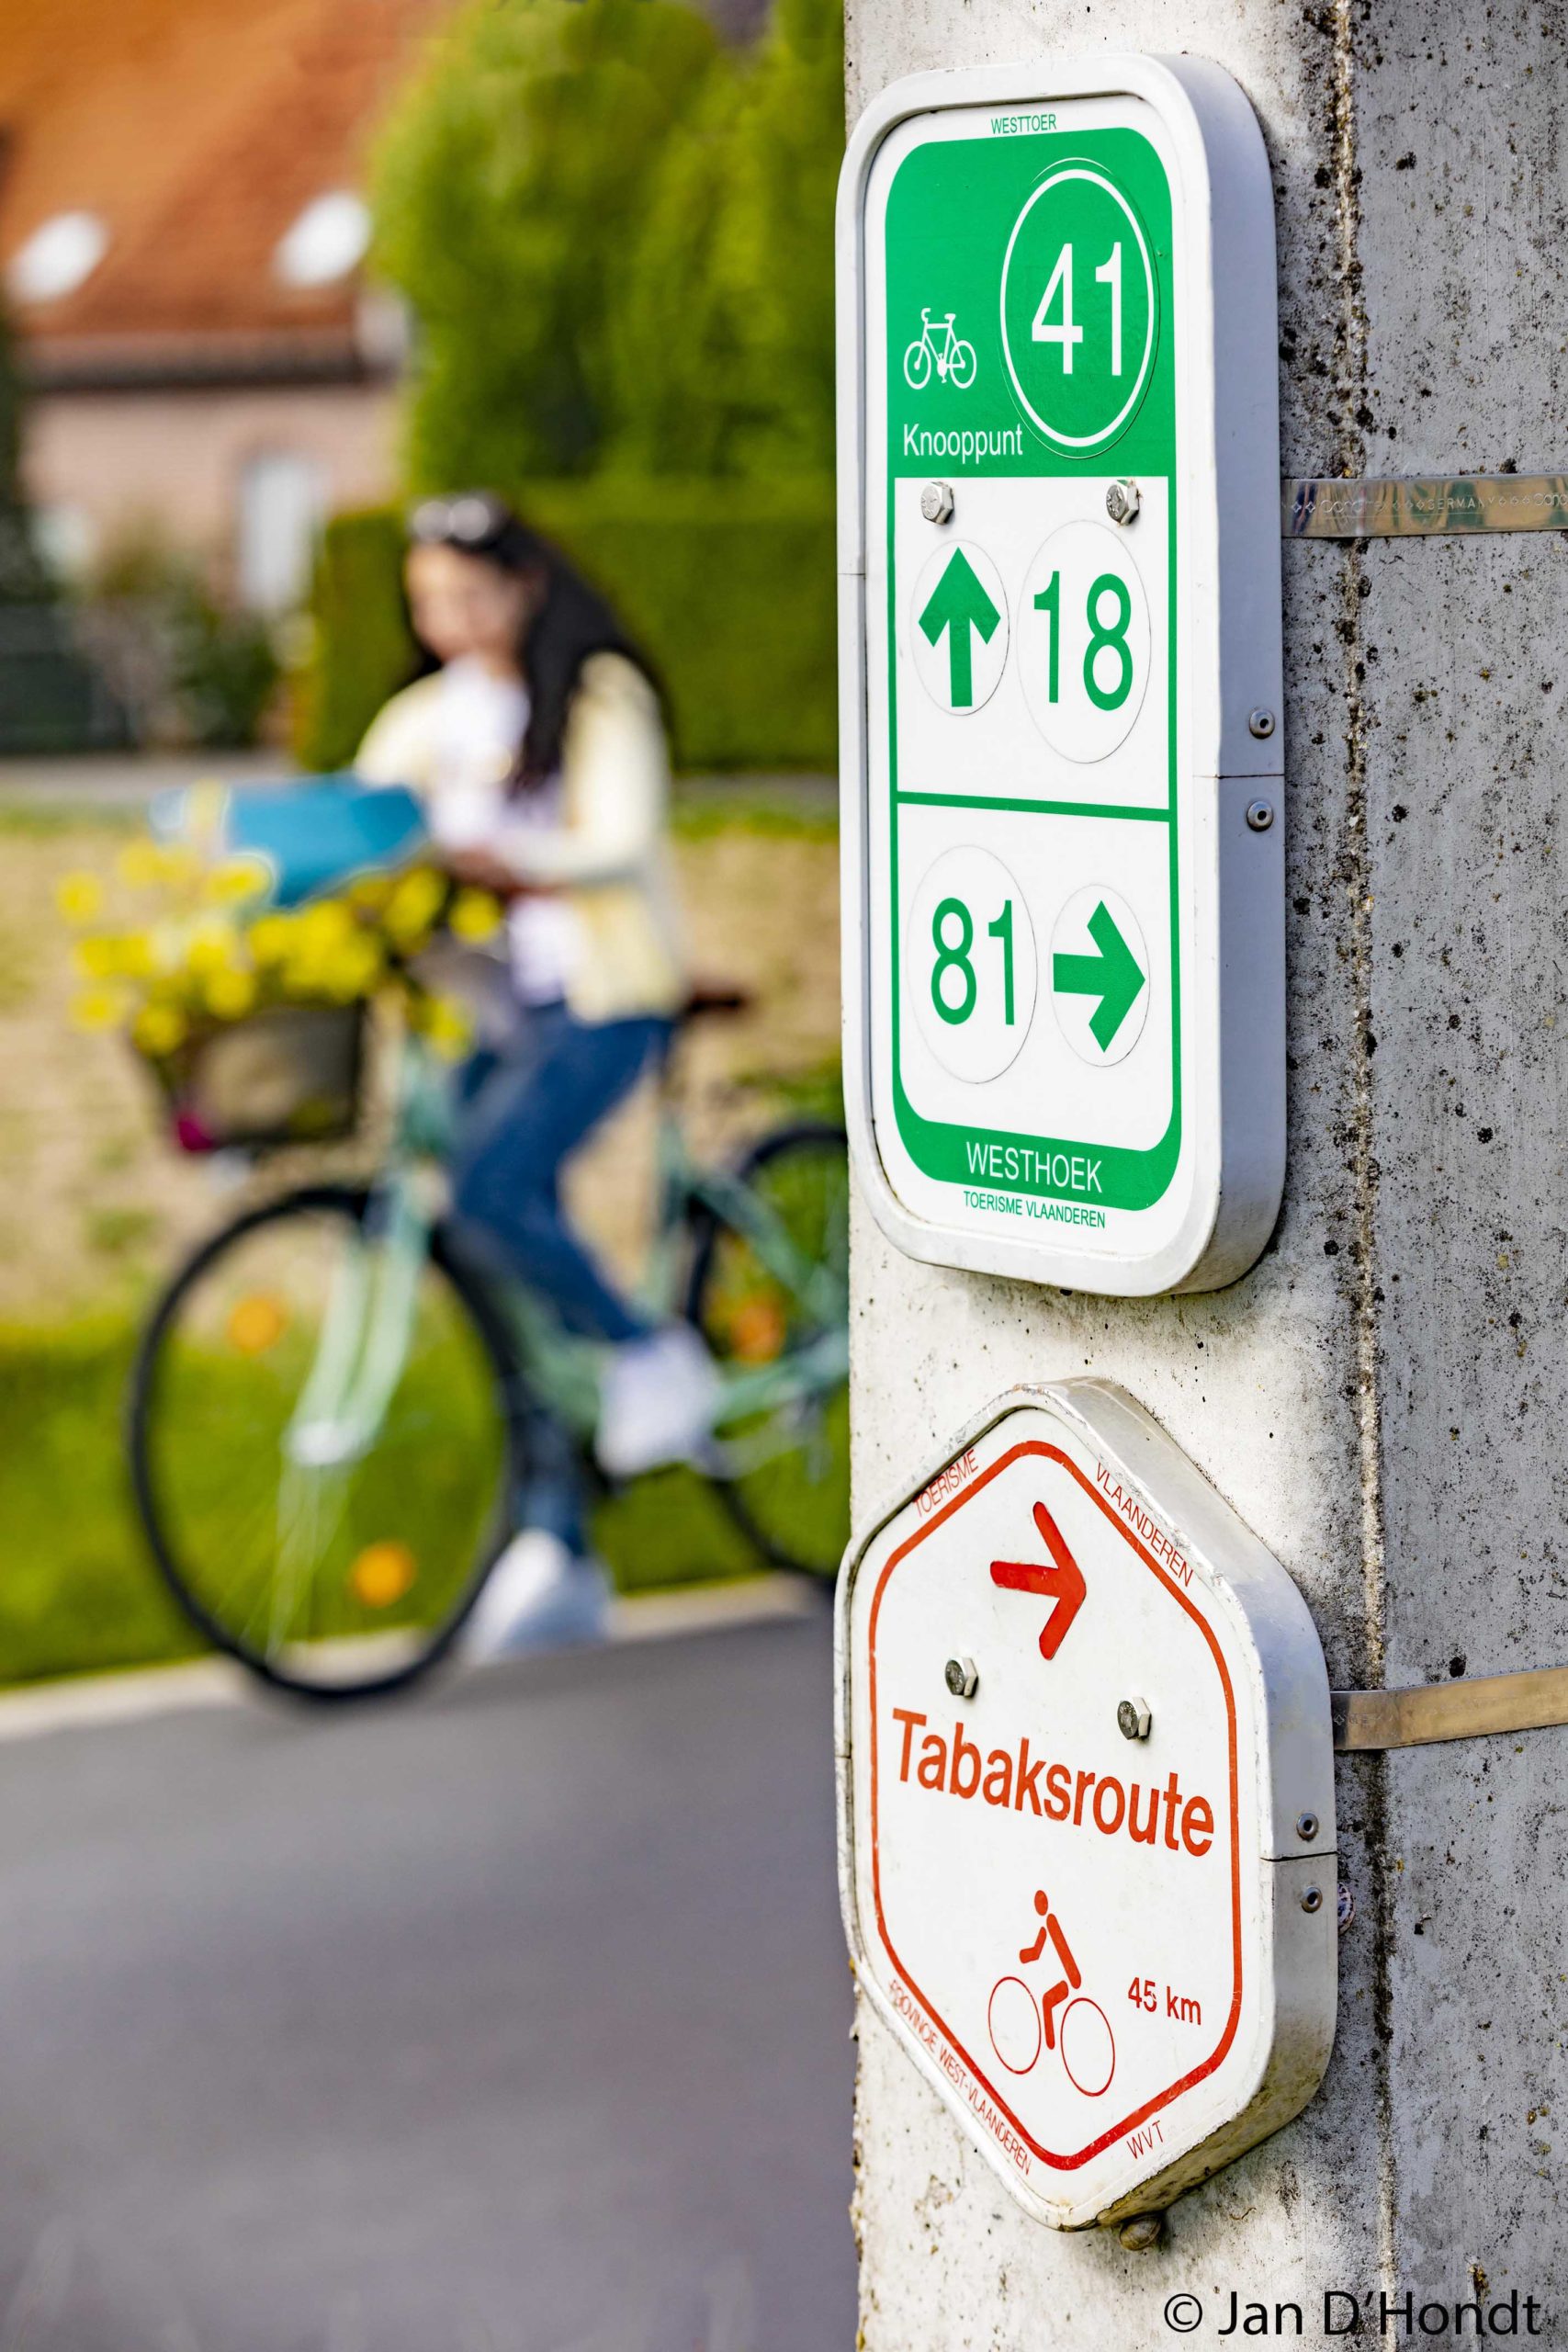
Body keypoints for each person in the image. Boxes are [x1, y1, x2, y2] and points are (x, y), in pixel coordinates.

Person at [355, 492, 716, 1651]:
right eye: (428, 603)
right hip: (499, 1007)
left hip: (606, 999)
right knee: (471, 1232)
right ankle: (557, 1528)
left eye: (469, 595)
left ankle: (651, 1349)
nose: (450, 620)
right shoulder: (425, 720)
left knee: (498, 1188)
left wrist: (503, 857)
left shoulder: (598, 695)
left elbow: (619, 838)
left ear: (524, 588)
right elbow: (363, 817)